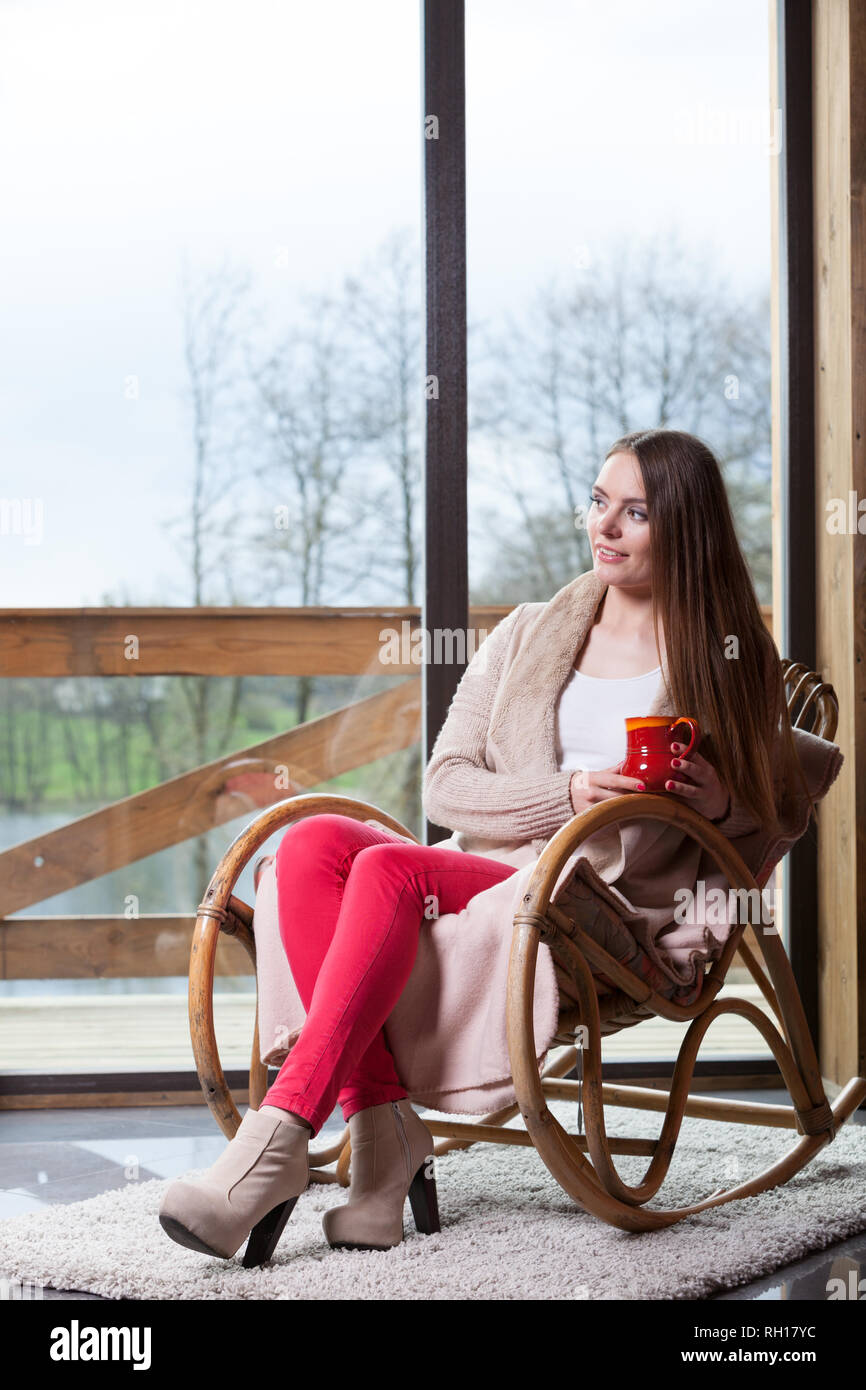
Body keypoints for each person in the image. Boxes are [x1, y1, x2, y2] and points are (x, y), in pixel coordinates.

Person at [158, 427, 816, 1267]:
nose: (604, 527)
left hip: (591, 900)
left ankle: (275, 1147)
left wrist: (720, 801)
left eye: (637, 512)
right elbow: (445, 786)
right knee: (311, 844)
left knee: (389, 866)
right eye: (598, 501)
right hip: (494, 871)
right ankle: (386, 1135)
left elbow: (774, 809)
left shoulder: (728, 657)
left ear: (684, 528)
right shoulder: (528, 633)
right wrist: (568, 792)